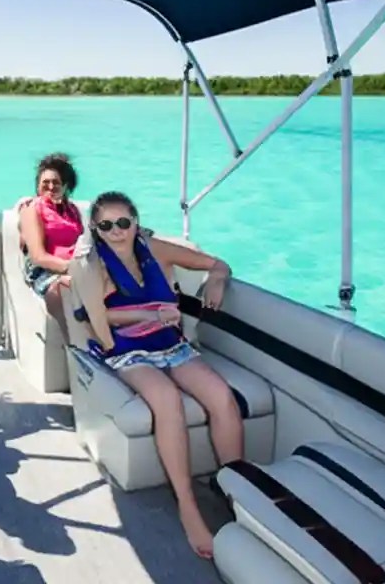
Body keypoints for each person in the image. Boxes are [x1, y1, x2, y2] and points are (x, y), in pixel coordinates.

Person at [72, 191, 241, 559]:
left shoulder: (157, 249)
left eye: (123, 223)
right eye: (106, 225)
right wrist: (148, 315)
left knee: (221, 397)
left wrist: (217, 279)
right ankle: (187, 505)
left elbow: (218, 263)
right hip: (127, 349)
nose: (116, 231)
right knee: (166, 400)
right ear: (96, 229)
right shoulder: (94, 267)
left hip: (171, 344)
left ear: (135, 222)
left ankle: (238, 492)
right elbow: (98, 318)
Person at [17, 152, 84, 333]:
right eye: (45, 182)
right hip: (45, 271)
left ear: (66, 186)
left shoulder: (72, 211)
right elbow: (39, 257)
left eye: (56, 182)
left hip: (73, 266)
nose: (51, 187)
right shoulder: (32, 209)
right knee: (72, 287)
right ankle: (73, 341)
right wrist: (74, 268)